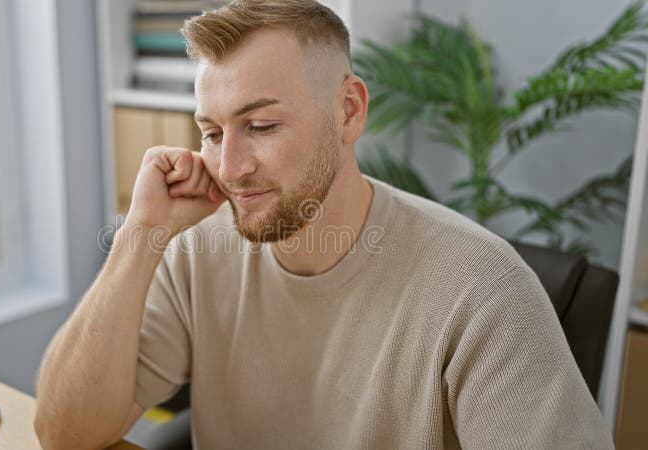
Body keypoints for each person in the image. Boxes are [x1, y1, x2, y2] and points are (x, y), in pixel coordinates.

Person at [34, 1, 614, 448]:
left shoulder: (482, 291)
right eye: (211, 133)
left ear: (349, 111)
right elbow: (64, 433)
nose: (230, 168)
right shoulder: (197, 250)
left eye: (260, 126)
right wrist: (141, 237)